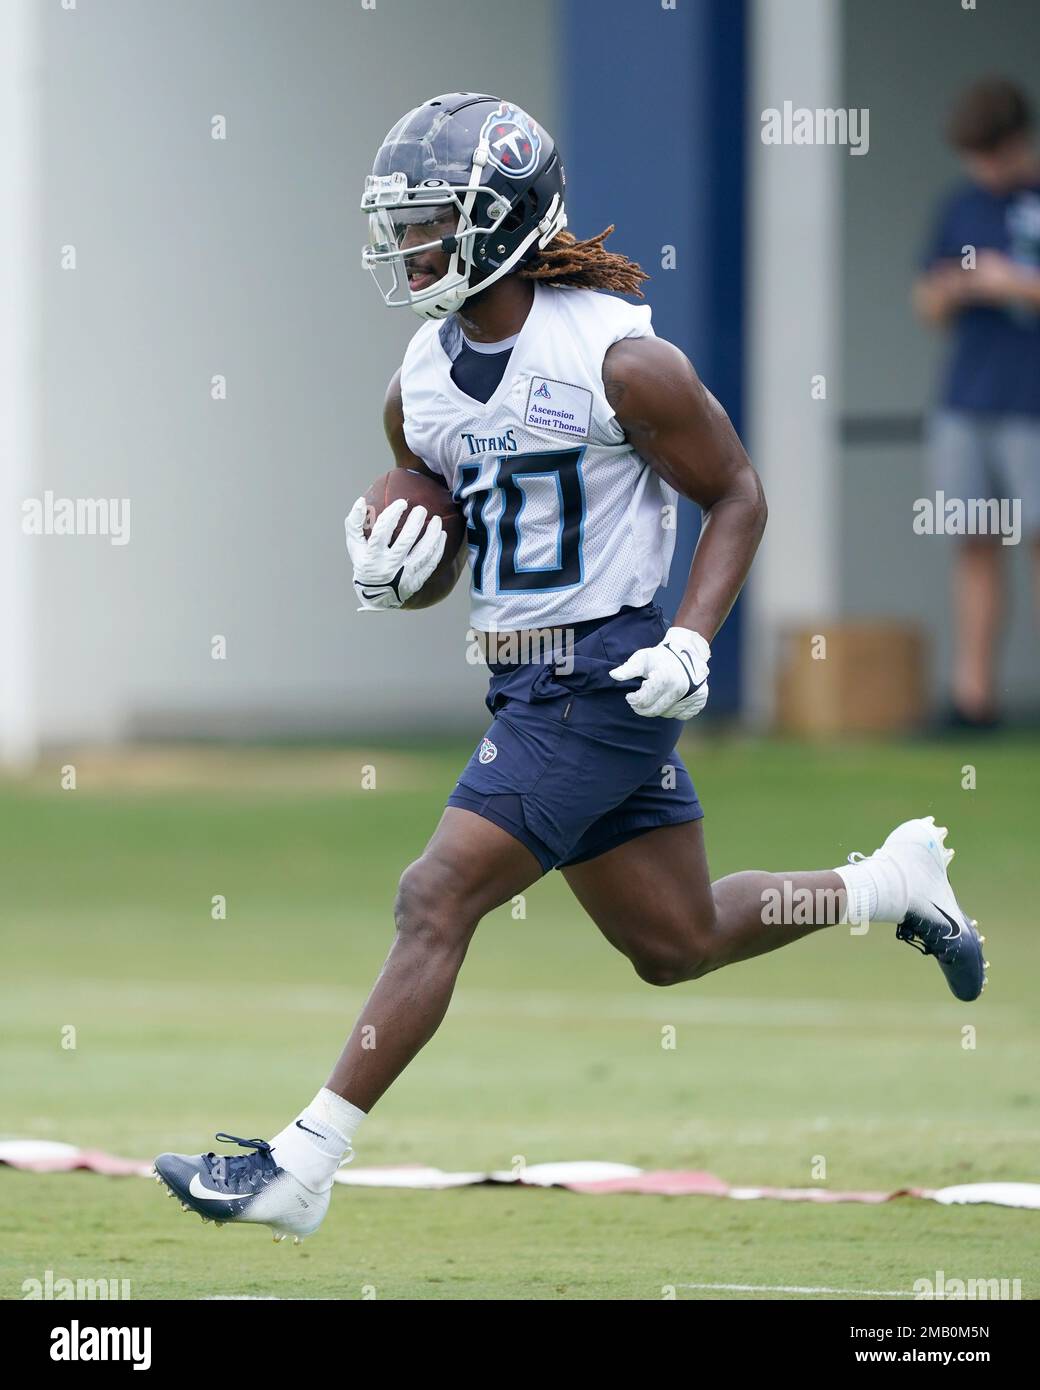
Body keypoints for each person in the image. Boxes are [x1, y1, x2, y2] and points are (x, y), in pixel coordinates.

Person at [155, 94, 986, 1241]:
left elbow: (734, 494)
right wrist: (397, 571)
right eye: (401, 225)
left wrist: (692, 635)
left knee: (433, 895)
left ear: (501, 220)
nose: (409, 247)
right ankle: (890, 883)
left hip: (602, 674)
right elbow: (457, 555)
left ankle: (303, 1163)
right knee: (674, 942)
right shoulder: (421, 382)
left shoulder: (615, 356)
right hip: (516, 673)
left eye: (432, 221)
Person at [913, 77, 1040, 727]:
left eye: (991, 154)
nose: (982, 169)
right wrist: (954, 290)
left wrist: (1013, 284)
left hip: (1032, 403)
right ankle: (974, 699)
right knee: (974, 543)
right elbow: (926, 303)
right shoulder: (960, 205)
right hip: (968, 400)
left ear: (1019, 142)